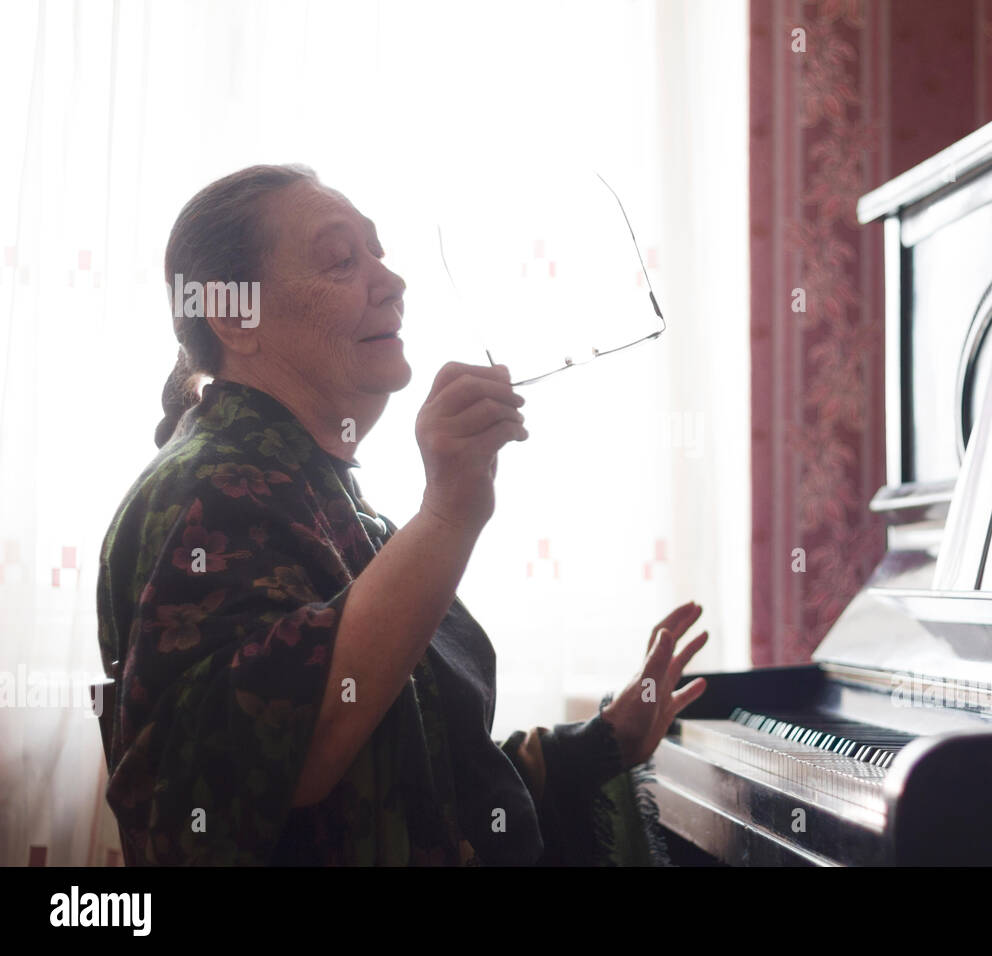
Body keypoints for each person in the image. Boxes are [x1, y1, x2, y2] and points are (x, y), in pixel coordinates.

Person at [95, 163, 709, 865]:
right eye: (341, 259)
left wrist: (607, 741)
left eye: (380, 253)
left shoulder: (331, 501)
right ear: (236, 315)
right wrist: (448, 512)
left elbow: (427, 791)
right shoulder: (202, 492)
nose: (392, 281)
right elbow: (257, 779)